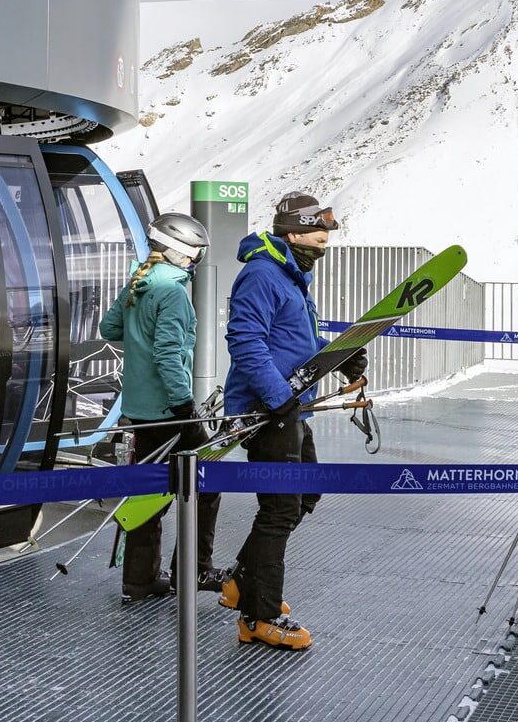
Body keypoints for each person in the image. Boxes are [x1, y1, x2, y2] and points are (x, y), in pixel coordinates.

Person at [221, 192, 367, 651]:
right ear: (291, 231)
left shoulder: (291, 274)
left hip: (290, 405)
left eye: (327, 236)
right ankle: (258, 616)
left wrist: (339, 356)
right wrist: (277, 397)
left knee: (304, 495)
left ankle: (244, 582)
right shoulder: (262, 274)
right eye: (316, 233)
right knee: (281, 507)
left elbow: (294, 338)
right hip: (268, 410)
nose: (323, 242)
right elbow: (245, 341)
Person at [98, 213, 222, 604]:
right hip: (169, 411)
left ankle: (140, 579)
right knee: (207, 485)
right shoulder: (172, 292)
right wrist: (185, 407)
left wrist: (138, 327)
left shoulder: (143, 280)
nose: (196, 259)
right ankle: (194, 569)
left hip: (139, 407)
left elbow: (109, 329)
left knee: (150, 492)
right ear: (183, 252)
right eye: (196, 252)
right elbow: (169, 354)